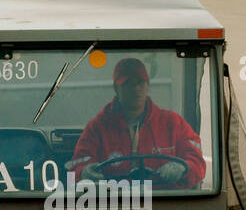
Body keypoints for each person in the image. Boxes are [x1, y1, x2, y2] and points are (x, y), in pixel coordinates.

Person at [69, 57, 206, 188]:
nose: (136, 88)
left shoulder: (174, 123)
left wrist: (184, 168)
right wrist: (84, 172)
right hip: (116, 205)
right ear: (116, 88)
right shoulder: (97, 128)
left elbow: (197, 163)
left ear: (148, 85)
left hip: (166, 204)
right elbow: (77, 166)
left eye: (140, 82)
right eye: (128, 83)